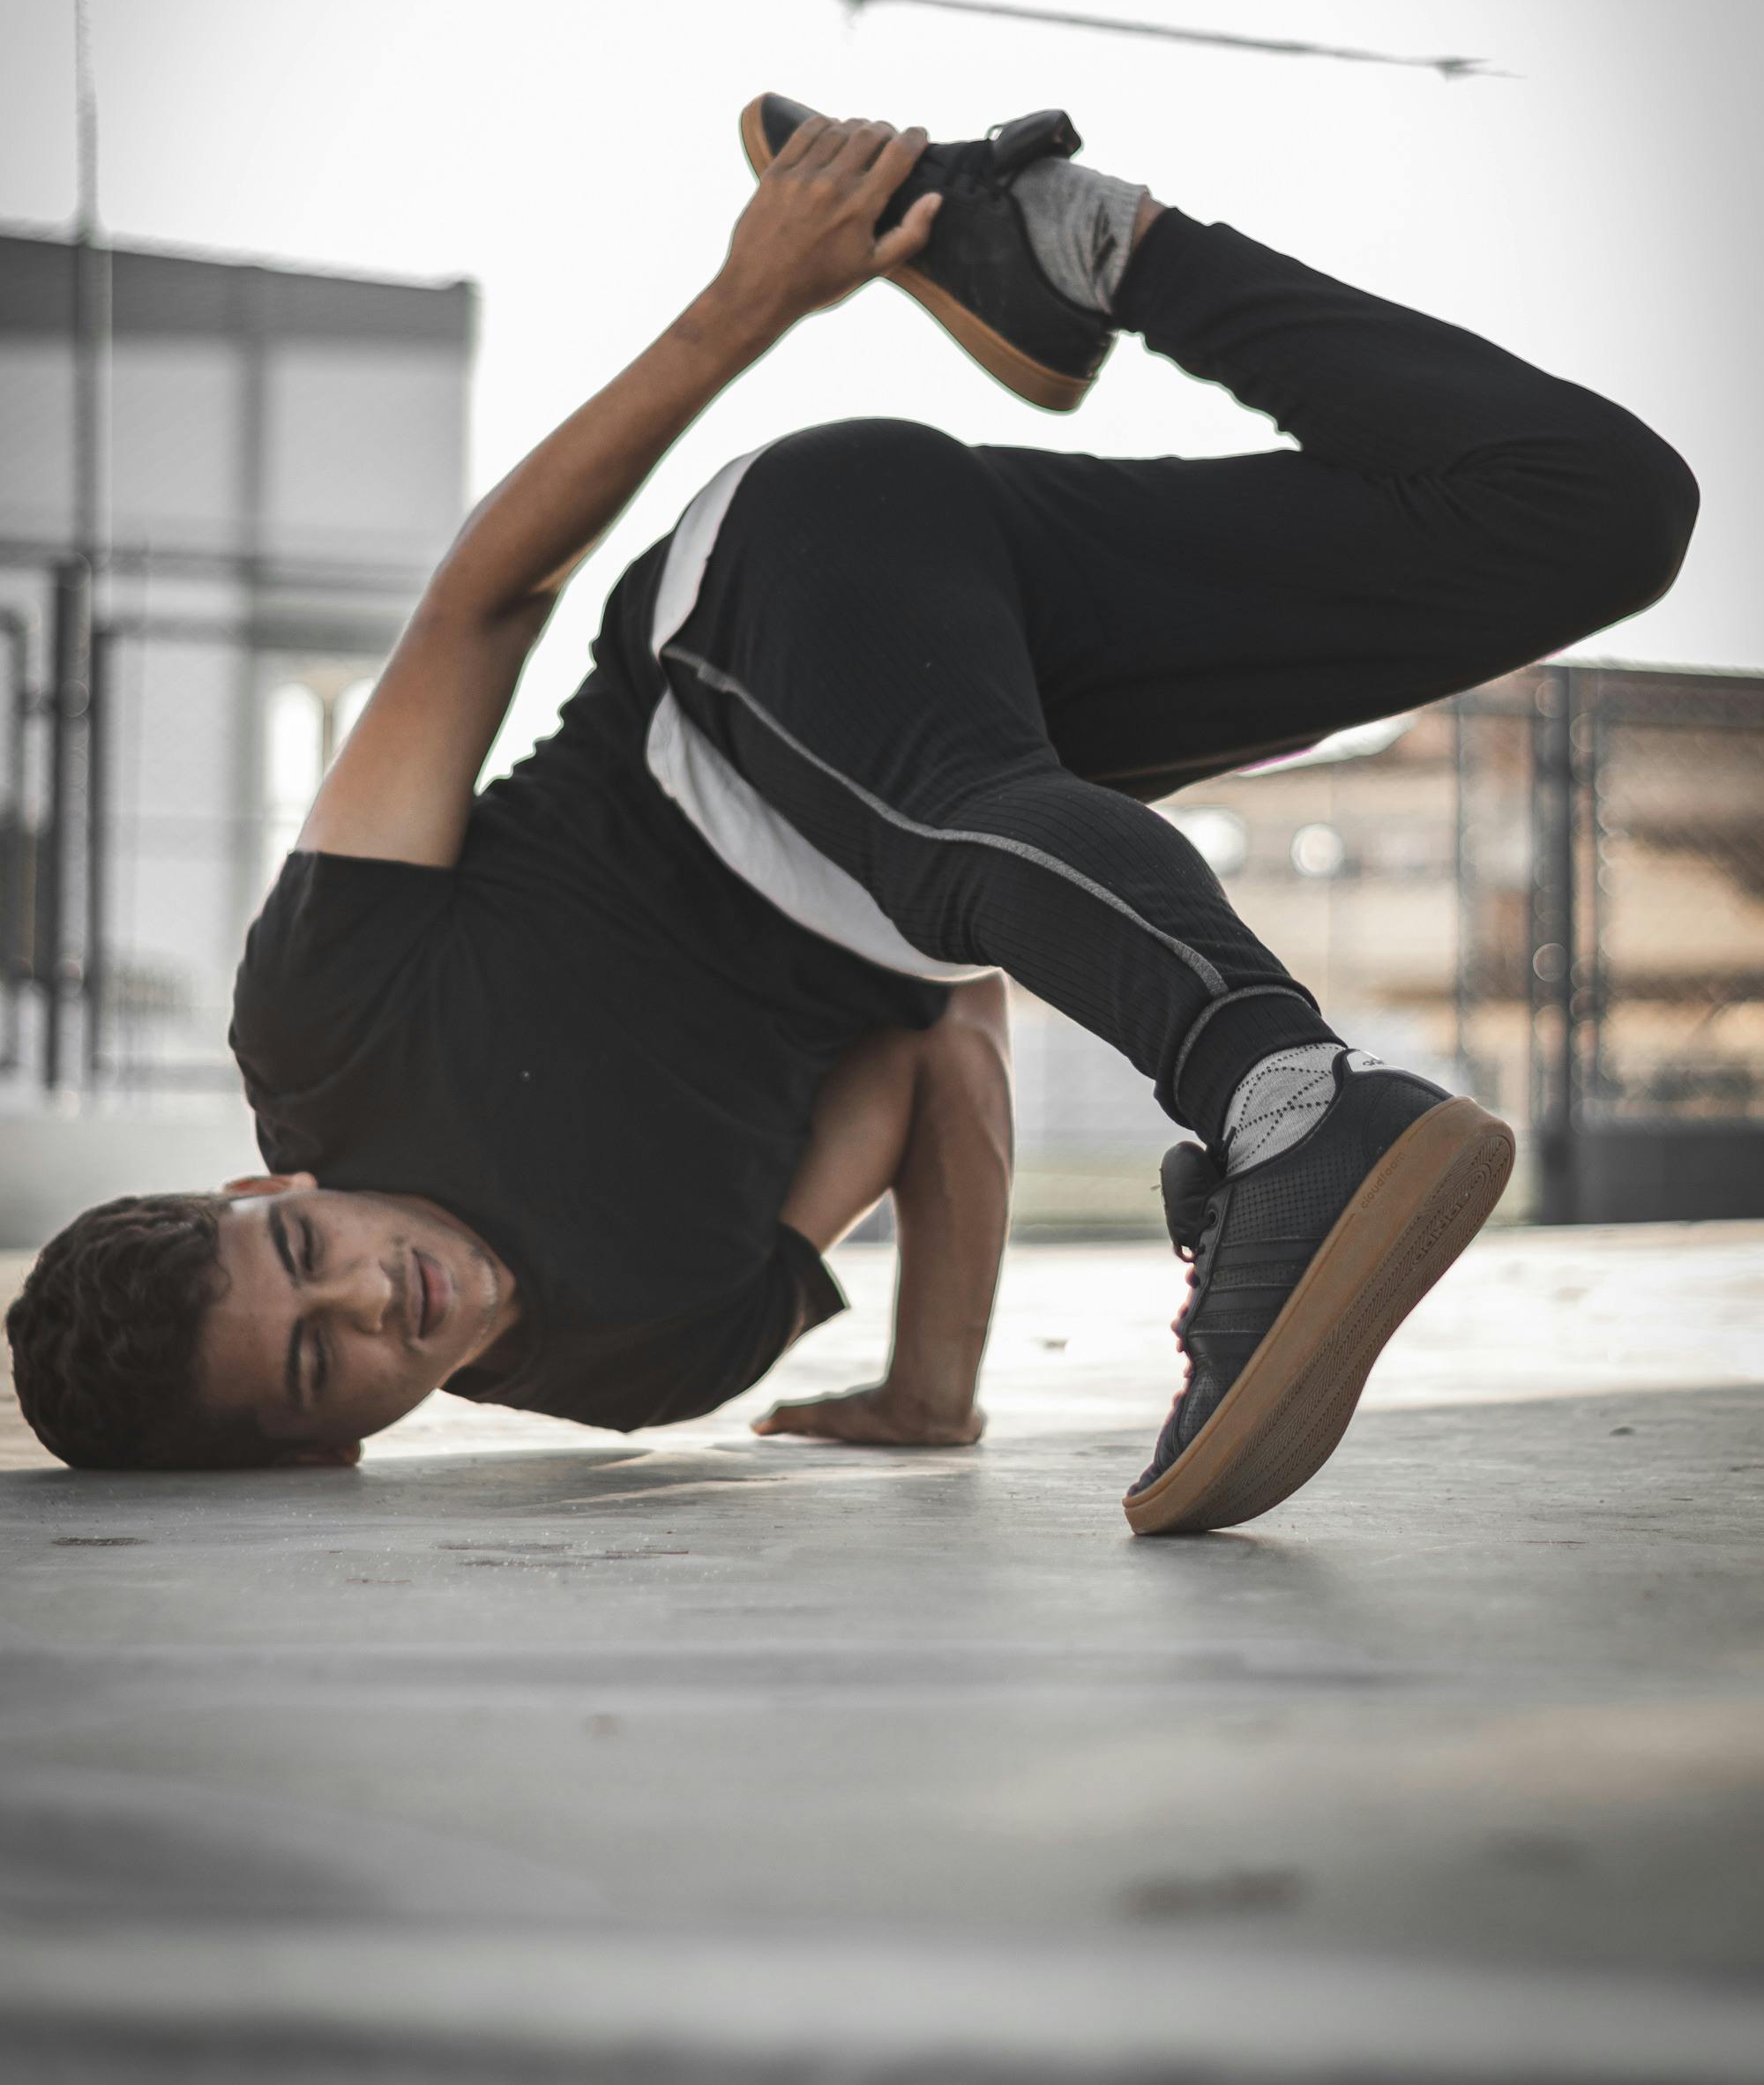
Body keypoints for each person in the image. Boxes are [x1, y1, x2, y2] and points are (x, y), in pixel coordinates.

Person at [6, 100, 1698, 1531]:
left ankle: (1285, 1106)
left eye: (302, 1246)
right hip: (1007, 754)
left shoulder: (322, 1023)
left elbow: (482, 608)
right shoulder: (642, 1357)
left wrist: (747, 304)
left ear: (265, 1177)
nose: (374, 1294)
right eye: (325, 1353)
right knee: (1585, 515)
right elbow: (932, 1065)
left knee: (953, 830)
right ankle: (1072, 244)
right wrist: (931, 1388)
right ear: (329, 1448)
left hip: (766, 611)